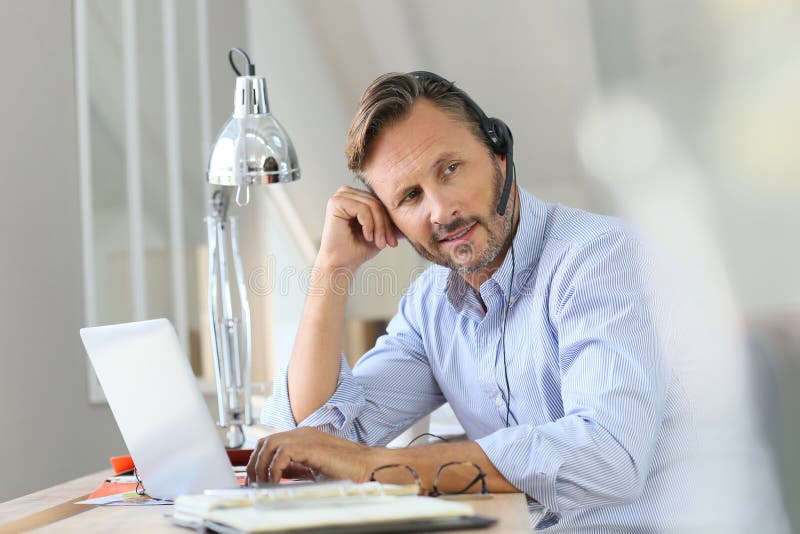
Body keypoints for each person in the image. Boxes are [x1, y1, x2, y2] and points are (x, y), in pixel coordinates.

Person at [247, 72, 692, 531]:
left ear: (500, 154)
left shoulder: (602, 259)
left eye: (450, 170)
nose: (441, 210)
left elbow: (608, 456)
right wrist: (331, 272)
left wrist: (377, 467)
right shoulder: (429, 308)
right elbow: (312, 445)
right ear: (392, 221)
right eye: (410, 196)